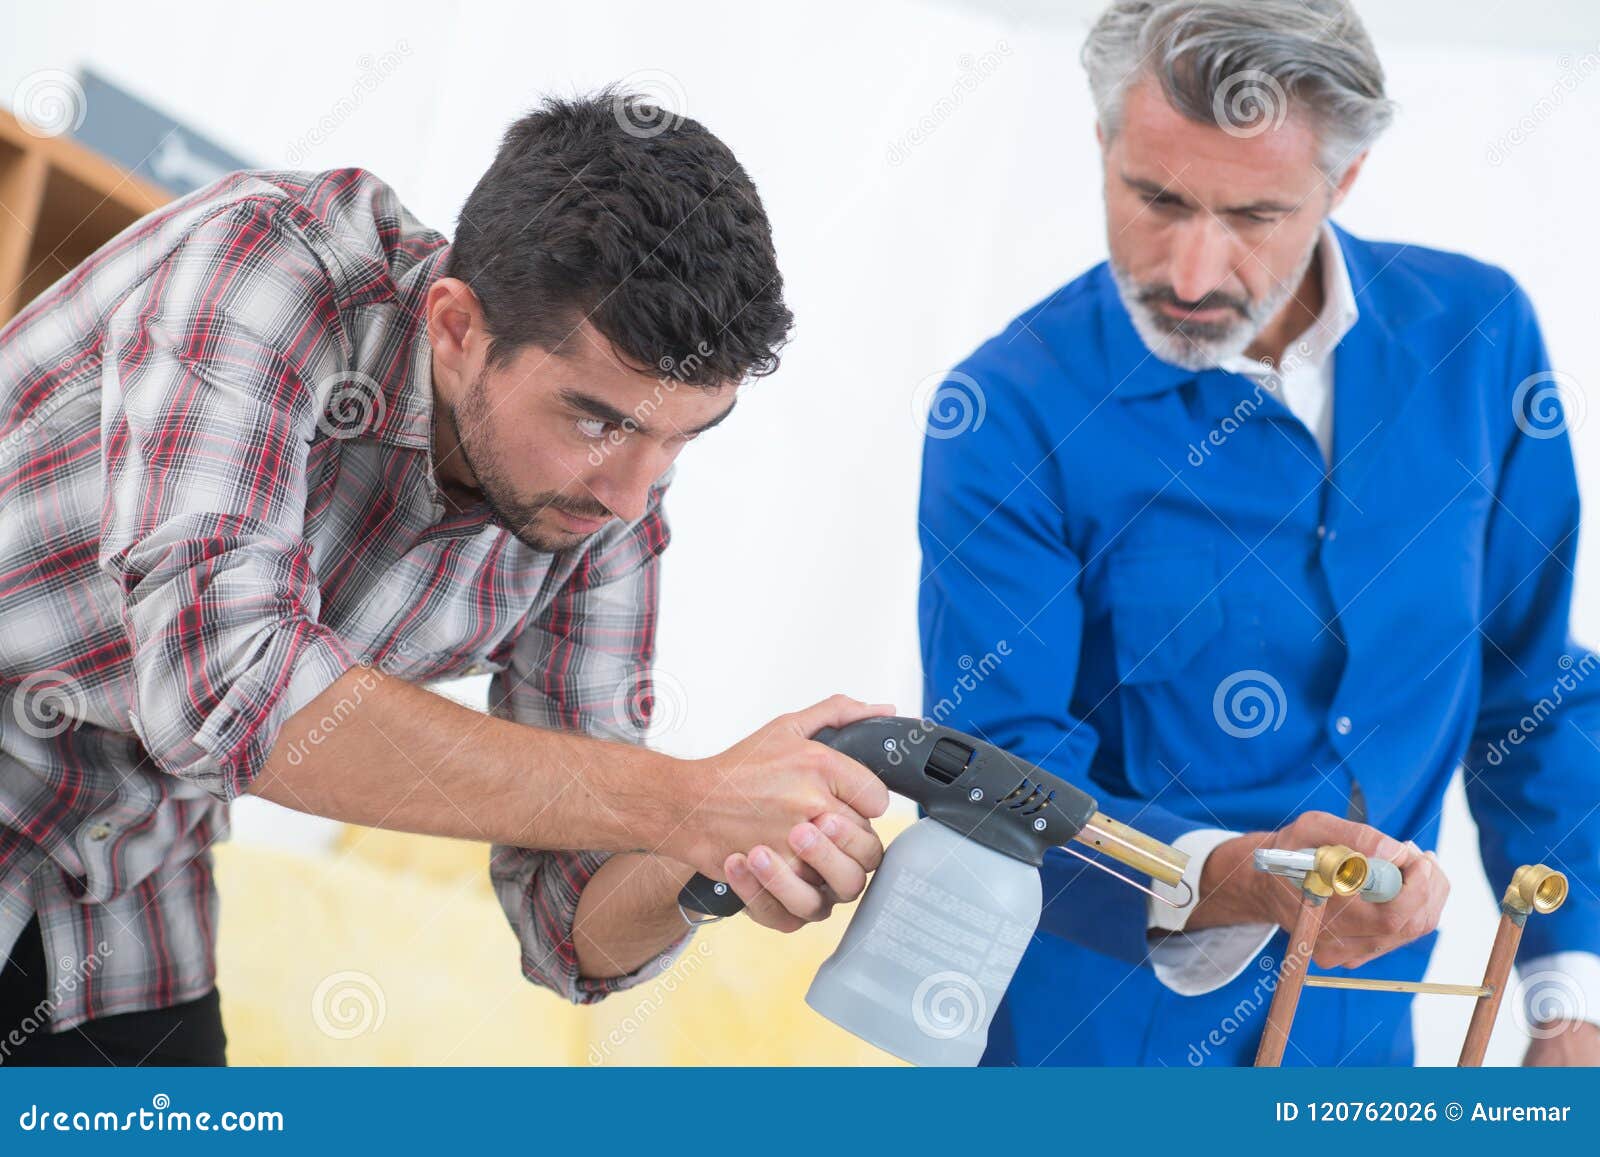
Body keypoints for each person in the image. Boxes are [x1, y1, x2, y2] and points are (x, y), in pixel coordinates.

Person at [0, 90, 888, 1065]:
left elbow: (569, 922)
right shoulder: (270, 265)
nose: (636, 495)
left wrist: (717, 847)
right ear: (458, 327)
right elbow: (224, 686)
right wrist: (681, 798)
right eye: (599, 420)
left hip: (123, 894)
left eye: (681, 440)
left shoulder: (604, 506)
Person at [918, 0, 1600, 1066]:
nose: (1189, 273)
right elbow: (996, 778)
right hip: (1088, 1054)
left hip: (1364, 1052)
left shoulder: (1477, 338)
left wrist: (1570, 1003)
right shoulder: (1008, 409)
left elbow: (1534, 685)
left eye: (1253, 216)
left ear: (1344, 180)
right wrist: (1232, 876)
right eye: (1153, 197)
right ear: (1101, 143)